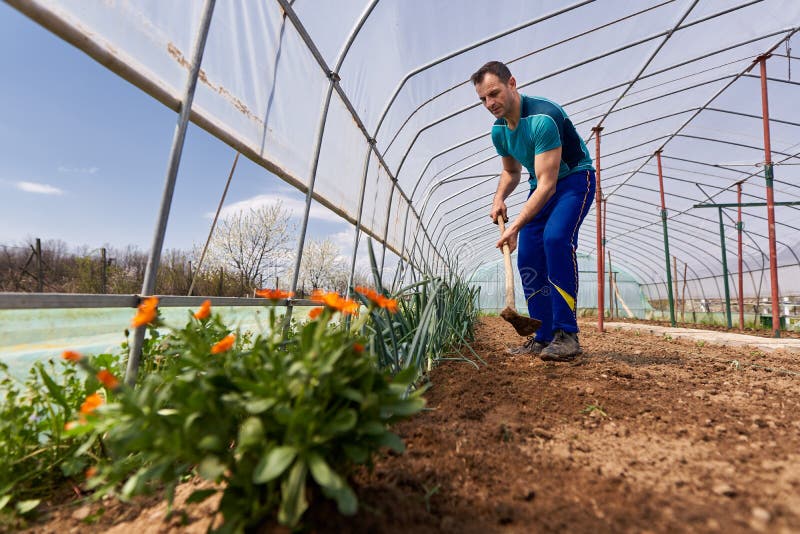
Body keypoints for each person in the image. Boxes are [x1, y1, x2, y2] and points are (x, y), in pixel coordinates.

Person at [471, 61, 596, 361]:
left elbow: (548, 185)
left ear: (512, 83)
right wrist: (498, 198)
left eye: (494, 93)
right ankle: (542, 336)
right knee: (527, 256)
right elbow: (512, 172)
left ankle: (567, 335)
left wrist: (515, 226)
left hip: (574, 181)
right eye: (483, 99)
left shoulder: (544, 117)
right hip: (538, 185)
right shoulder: (499, 131)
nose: (490, 103)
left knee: (555, 241)